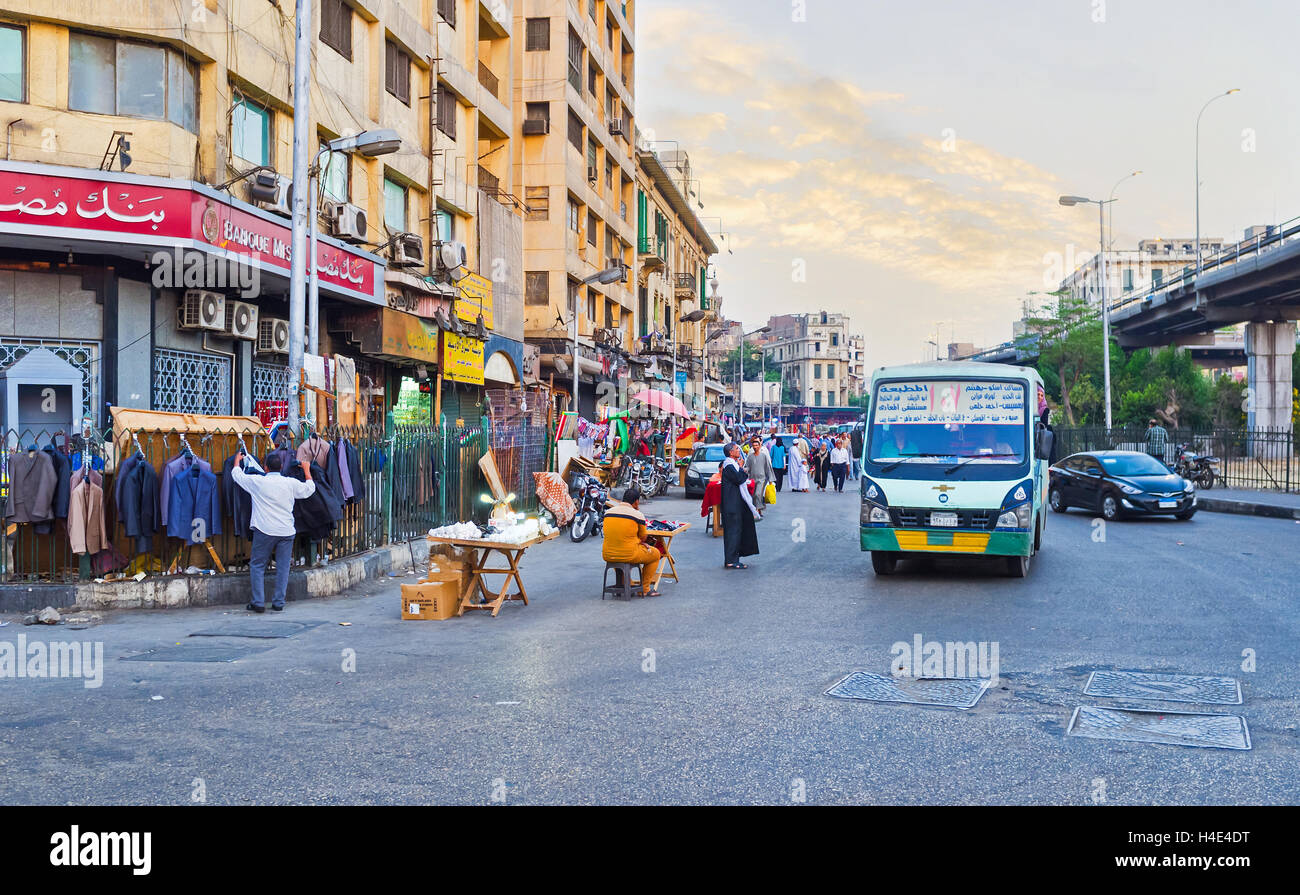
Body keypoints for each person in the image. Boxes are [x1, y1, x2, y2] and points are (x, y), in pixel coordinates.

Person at [231, 449, 316, 613]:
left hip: (265, 530)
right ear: (282, 466)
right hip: (286, 531)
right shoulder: (290, 483)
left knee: (257, 565)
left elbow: (237, 476)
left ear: (265, 468)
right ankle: (278, 602)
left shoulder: (258, 482)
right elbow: (309, 489)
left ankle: (258, 602)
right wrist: (306, 471)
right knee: (283, 567)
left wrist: (237, 461)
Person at [601, 486, 662, 597]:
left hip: (608, 554)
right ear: (636, 501)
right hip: (629, 554)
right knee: (656, 554)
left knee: (619, 552)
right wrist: (640, 541)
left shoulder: (608, 512)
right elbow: (643, 537)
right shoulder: (637, 515)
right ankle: (644, 588)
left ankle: (624, 584)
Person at [719, 442, 759, 569]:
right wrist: (741, 468)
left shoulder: (732, 465)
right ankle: (731, 560)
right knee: (733, 532)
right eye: (737, 449)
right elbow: (739, 479)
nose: (738, 451)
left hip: (735, 503)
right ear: (731, 452)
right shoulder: (729, 465)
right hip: (731, 504)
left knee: (736, 531)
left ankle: (733, 558)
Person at [745, 435, 774, 517]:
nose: (755, 447)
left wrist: (771, 479)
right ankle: (759, 510)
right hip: (752, 478)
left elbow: (768, 466)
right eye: (753, 445)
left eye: (757, 445)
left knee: (758, 494)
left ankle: (756, 511)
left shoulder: (764, 454)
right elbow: (747, 466)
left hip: (762, 478)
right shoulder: (750, 455)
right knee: (755, 495)